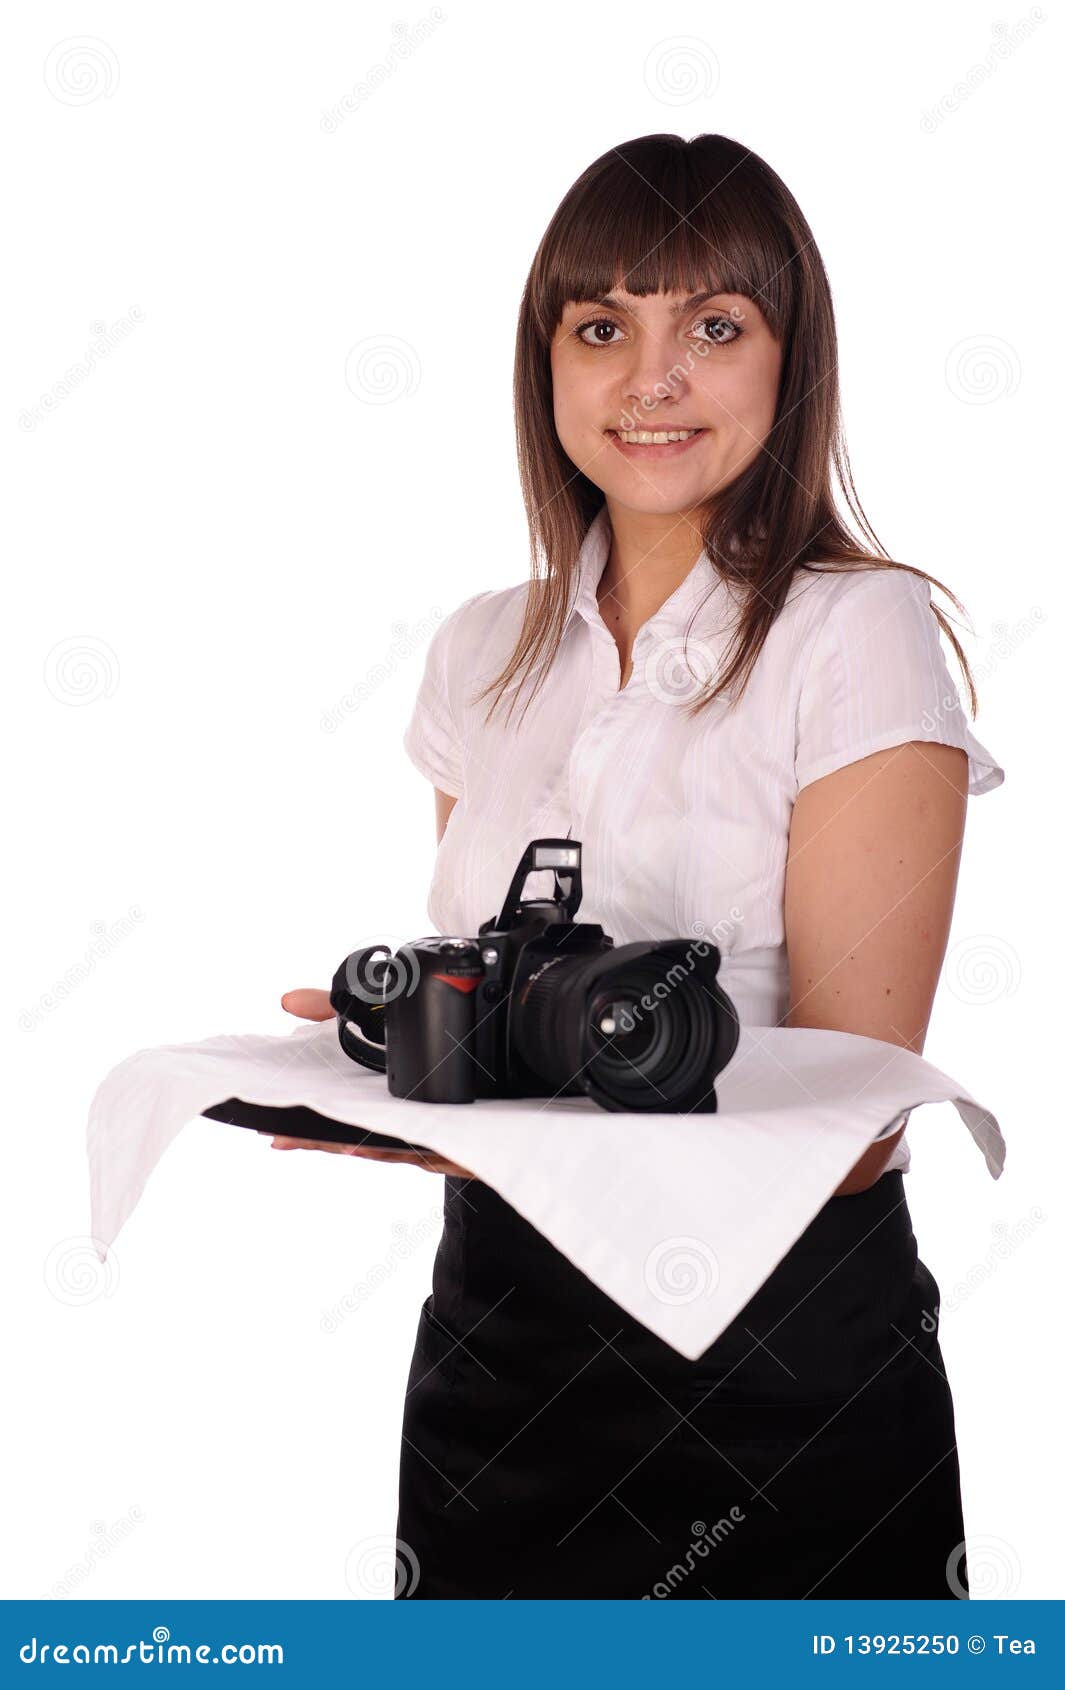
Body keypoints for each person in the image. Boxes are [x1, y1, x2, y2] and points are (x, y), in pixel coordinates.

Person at [276, 133, 1005, 1598]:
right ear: (544, 365)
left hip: (779, 1357)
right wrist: (412, 1067)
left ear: (789, 363)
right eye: (600, 327)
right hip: (503, 1339)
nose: (647, 380)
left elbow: (850, 1110)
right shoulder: (486, 648)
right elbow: (506, 988)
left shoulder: (851, 632)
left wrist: (497, 1114)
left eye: (712, 329)